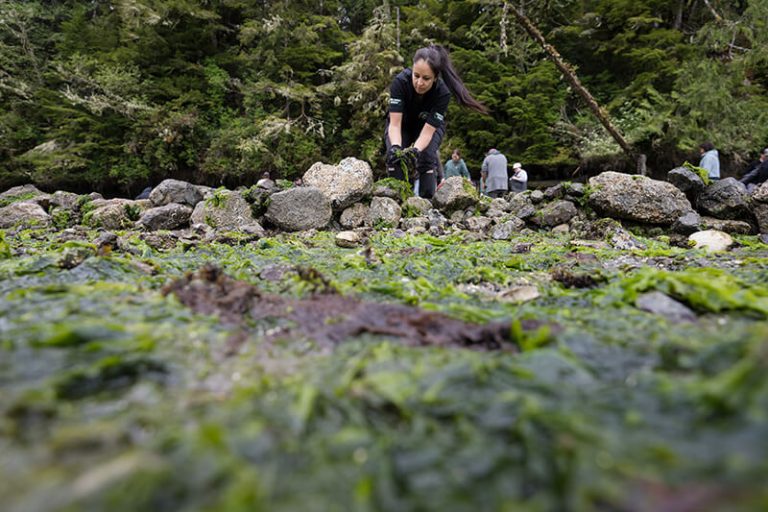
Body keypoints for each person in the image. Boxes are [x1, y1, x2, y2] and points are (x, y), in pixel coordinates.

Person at [385, 45, 488, 199]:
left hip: (428, 127)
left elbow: (427, 133)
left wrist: (415, 151)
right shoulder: (400, 82)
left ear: (435, 78)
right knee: (395, 157)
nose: (419, 83)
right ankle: (395, 201)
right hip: (403, 125)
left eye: (426, 78)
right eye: (416, 75)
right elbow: (394, 124)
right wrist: (395, 147)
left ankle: (427, 205)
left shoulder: (442, 93)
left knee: (425, 157)